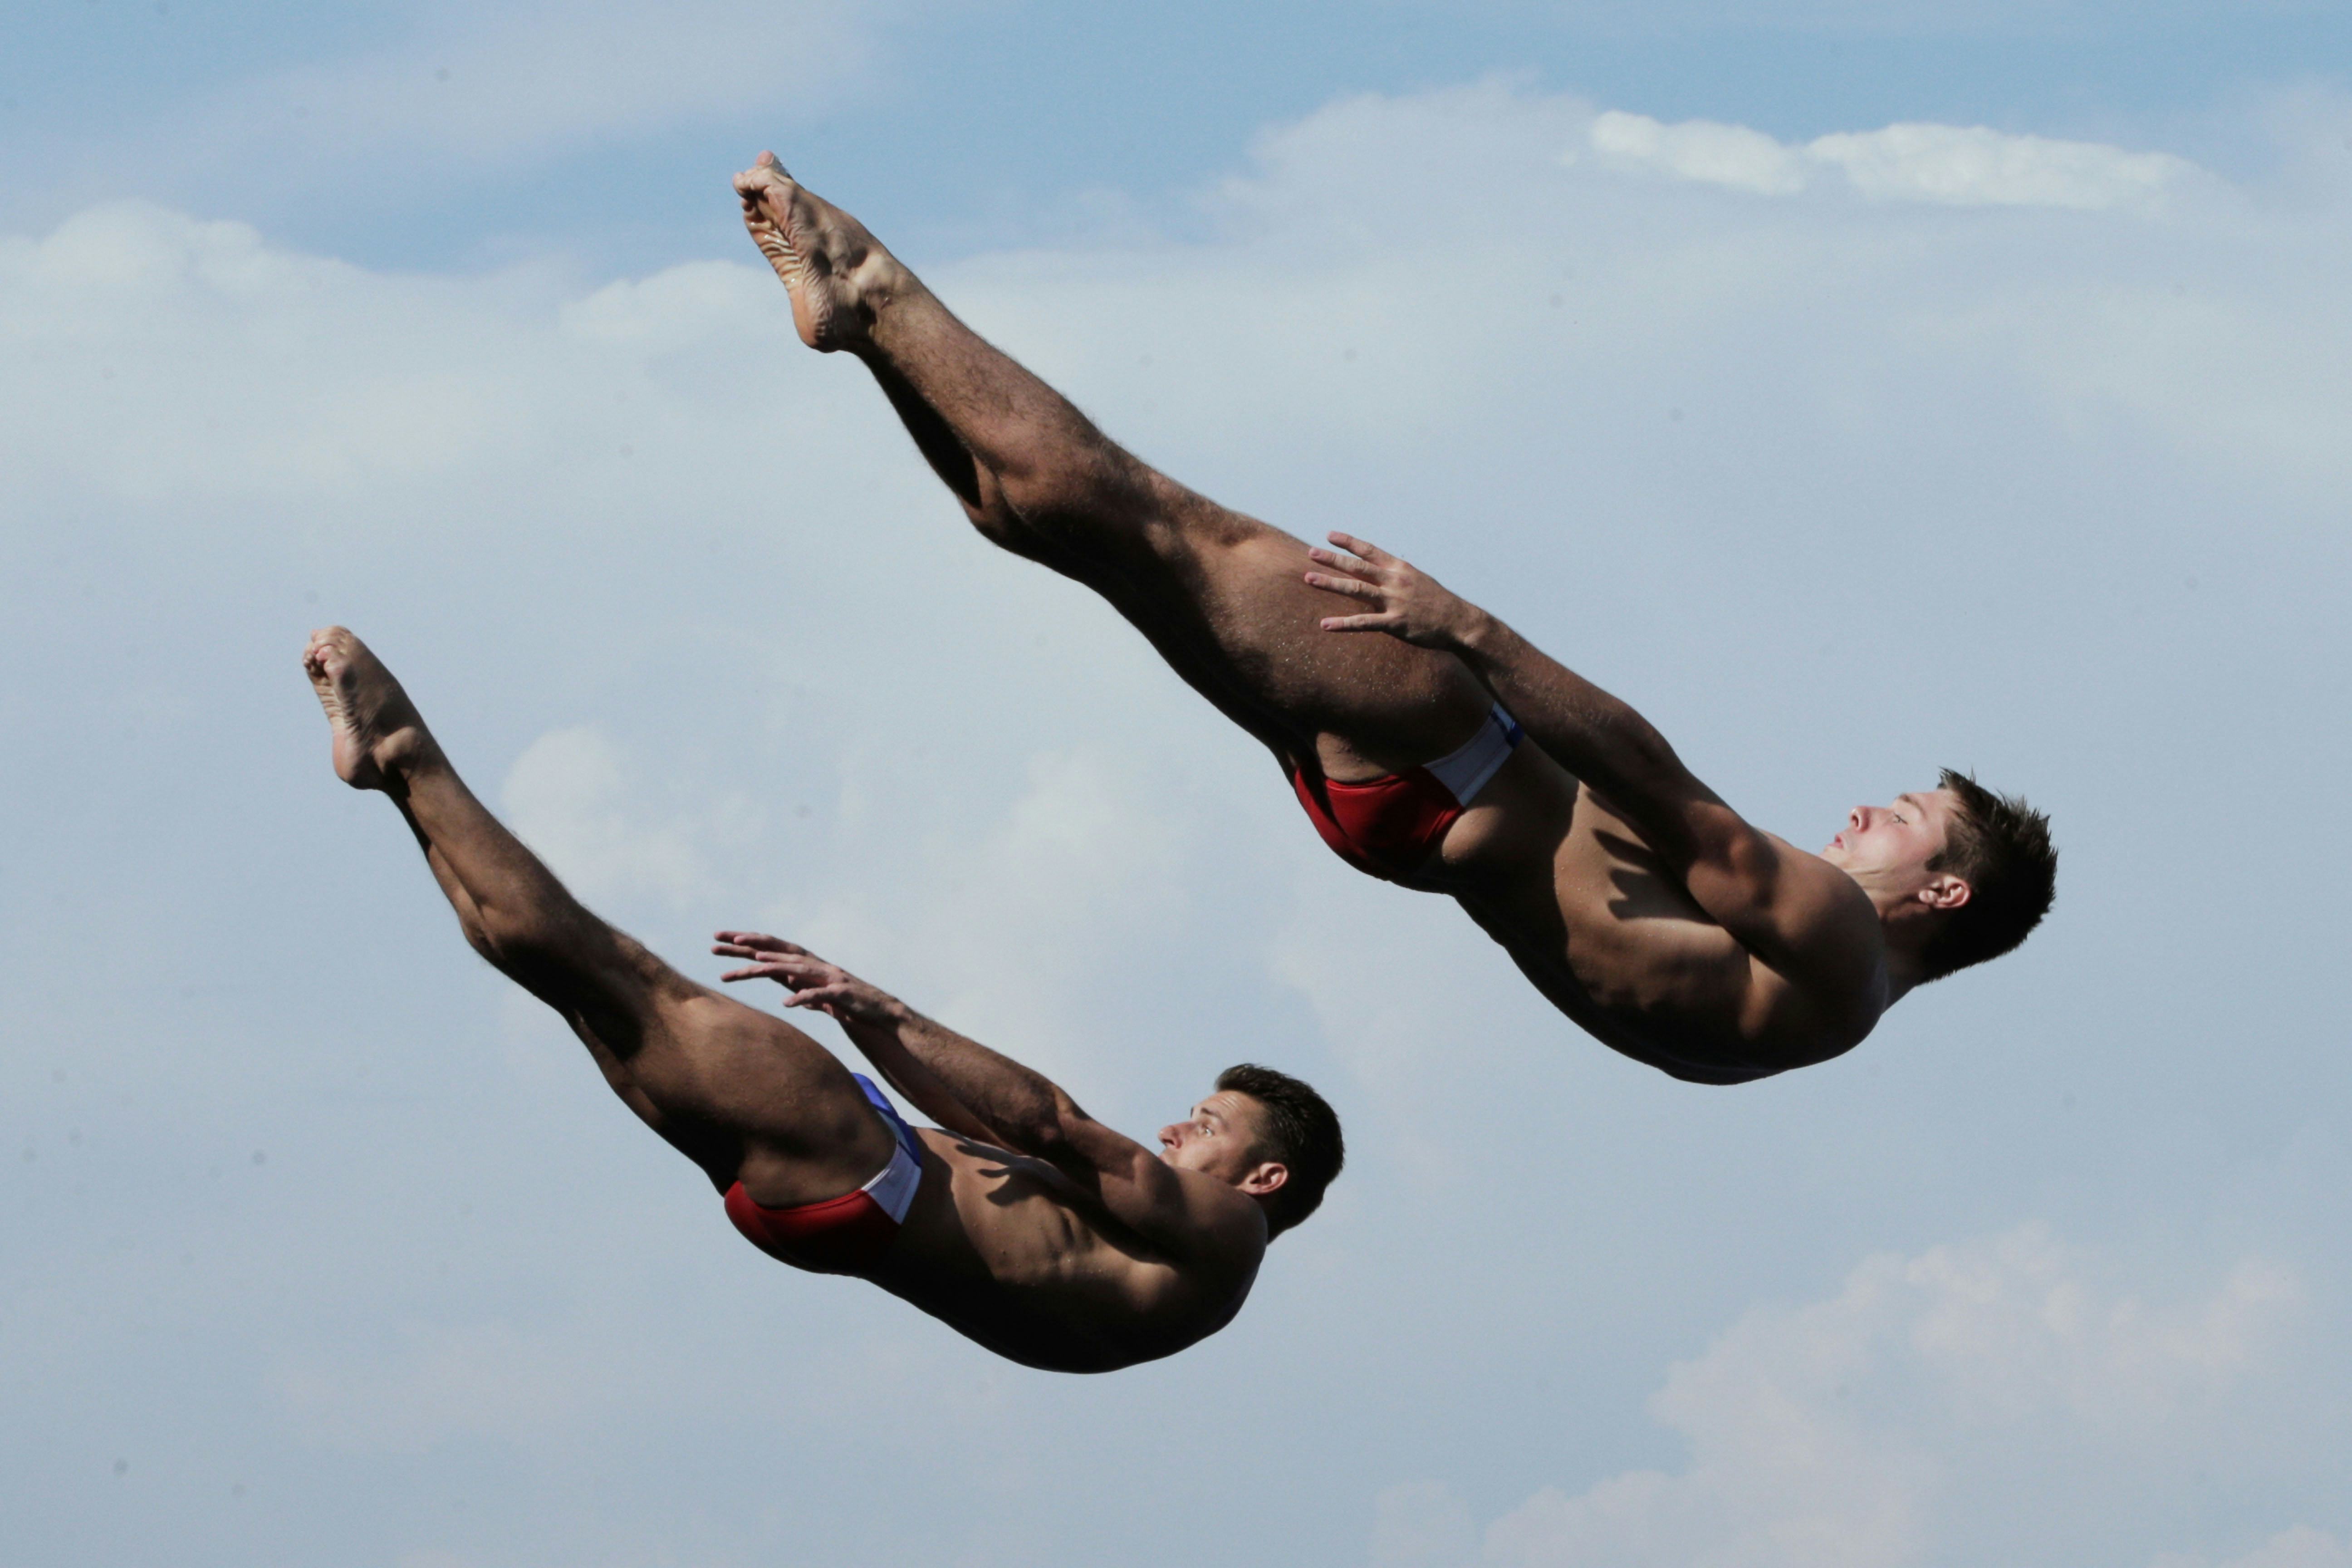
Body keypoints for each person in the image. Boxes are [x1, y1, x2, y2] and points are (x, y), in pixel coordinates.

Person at [731, 152, 2057, 1085]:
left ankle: (873, 285)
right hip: (1405, 827)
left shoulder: (1832, 931)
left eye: (1903, 821)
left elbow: (1655, 781)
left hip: (1443, 737)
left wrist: (1466, 628)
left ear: (1943, 890)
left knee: (1144, 519)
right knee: (1060, 536)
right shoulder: (1814, 1030)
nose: (1863, 816)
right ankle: (859, 336)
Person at [301, 627, 1343, 1372]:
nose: (1174, 1126)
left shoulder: (1228, 1236)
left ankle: (403, 754)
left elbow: (1054, 1123)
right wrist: (865, 1022)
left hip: (869, 1168)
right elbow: (993, 1127)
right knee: (576, 988)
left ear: (1265, 1174)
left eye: (1204, 1126)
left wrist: (880, 1006)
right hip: (844, 1206)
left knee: (617, 975)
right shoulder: (1173, 1274)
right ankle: (395, 782)